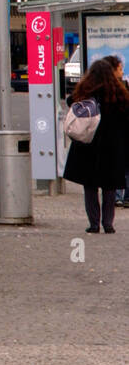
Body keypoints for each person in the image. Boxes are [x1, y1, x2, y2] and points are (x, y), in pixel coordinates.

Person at [62, 55, 129, 234]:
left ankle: (93, 223)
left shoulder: (84, 92)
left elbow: (70, 102)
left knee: (90, 186)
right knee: (109, 186)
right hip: (112, 147)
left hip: (88, 146)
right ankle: (108, 223)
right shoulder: (120, 95)